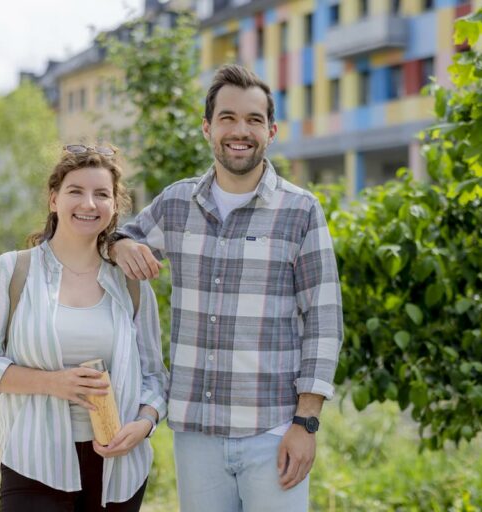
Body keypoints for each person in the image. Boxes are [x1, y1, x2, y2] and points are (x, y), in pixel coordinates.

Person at [111, 64, 343, 511]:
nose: (241, 131)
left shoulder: (300, 211)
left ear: (271, 131)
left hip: (274, 432)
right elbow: (116, 239)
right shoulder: (176, 203)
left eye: (254, 119)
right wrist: (120, 245)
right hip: (196, 434)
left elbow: (324, 321)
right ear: (207, 128)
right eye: (228, 118)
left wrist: (306, 423)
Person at [0, 145, 168, 512]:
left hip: (118, 468)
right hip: (33, 460)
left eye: (101, 194)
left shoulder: (130, 282)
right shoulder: (12, 271)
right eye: (76, 191)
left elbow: (154, 375)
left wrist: (145, 423)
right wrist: (52, 383)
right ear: (54, 200)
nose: (89, 203)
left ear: (114, 206)